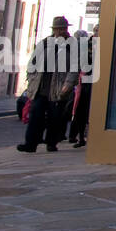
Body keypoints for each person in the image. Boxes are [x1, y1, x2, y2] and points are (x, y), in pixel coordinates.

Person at [16, 16, 76, 153]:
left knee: (54, 118)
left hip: (58, 89)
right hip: (41, 88)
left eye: (63, 29)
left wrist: (68, 84)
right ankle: (30, 144)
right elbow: (32, 63)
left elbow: (75, 67)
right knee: (35, 116)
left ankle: (51, 143)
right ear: (54, 30)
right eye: (58, 29)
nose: (60, 31)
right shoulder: (44, 43)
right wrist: (31, 79)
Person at [68, 26, 97, 148]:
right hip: (85, 81)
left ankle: (80, 136)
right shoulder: (88, 45)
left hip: (92, 81)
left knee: (85, 111)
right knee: (80, 110)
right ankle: (79, 137)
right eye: (96, 31)